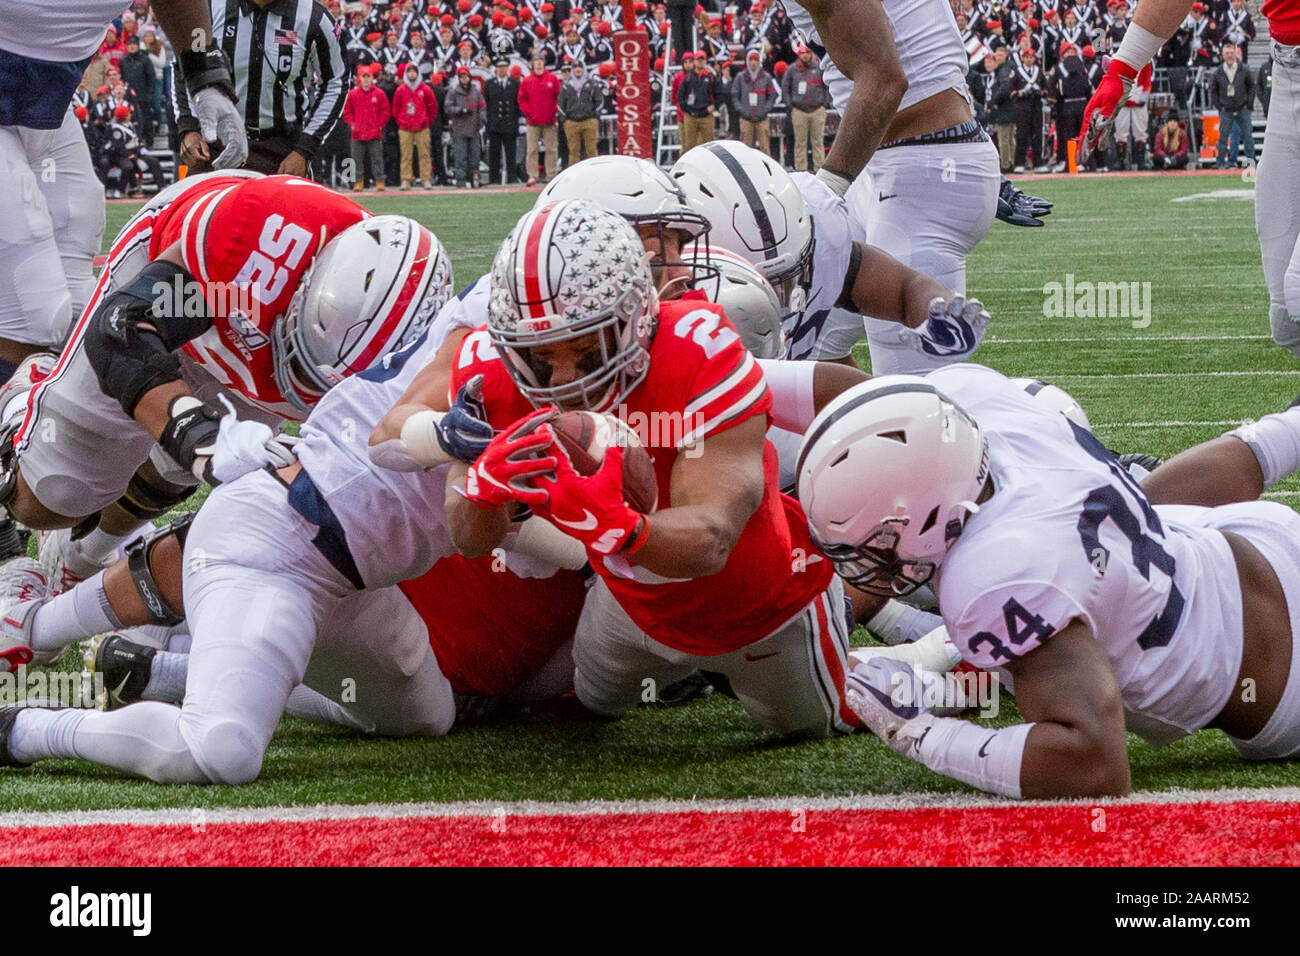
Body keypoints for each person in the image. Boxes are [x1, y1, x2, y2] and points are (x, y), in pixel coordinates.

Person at [441, 198, 860, 739]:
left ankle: (923, 653)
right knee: (586, 706)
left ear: (639, 313)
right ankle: (683, 677)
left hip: (759, 610)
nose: (565, 379)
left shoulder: (697, 350)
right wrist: (481, 492)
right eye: (539, 356)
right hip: (628, 607)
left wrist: (616, 525)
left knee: (820, 726)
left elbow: (712, 540)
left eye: (587, 347)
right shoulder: (486, 372)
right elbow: (469, 539)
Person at [803, 367, 1300, 797]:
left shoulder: (994, 575)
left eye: (878, 541)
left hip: (1287, 681)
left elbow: (1094, 763)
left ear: (924, 512)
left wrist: (919, 732)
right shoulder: (967, 400)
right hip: (1244, 538)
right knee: (1136, 519)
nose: (865, 561)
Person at [0, 173, 448, 595]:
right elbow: (122, 330)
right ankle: (28, 392)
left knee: (175, 471)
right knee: (54, 495)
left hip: (250, 320)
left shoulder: (417, 372)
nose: (298, 382)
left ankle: (83, 557)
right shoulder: (259, 235)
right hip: (205, 286)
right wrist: (197, 436)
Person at [173, 0, 345, 178]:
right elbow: (182, 67)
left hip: (282, 151)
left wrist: (304, 150)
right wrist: (189, 129)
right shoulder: (209, 9)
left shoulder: (314, 17)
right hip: (214, 147)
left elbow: (336, 81)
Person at [782, 44, 830, 172]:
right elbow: (785, 89)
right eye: (802, 53)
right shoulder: (792, 69)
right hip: (799, 111)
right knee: (800, 143)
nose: (805, 55)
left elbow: (827, 87)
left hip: (817, 110)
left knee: (818, 142)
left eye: (807, 52)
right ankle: (801, 170)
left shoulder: (819, 68)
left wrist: (824, 105)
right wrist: (791, 107)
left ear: (811, 54)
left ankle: (819, 169)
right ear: (799, 54)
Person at [343, 64, 390, 191]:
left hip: (374, 133)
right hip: (357, 133)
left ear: (372, 78)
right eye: (364, 77)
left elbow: (385, 112)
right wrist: (351, 124)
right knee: (356, 159)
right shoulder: (353, 94)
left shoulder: (379, 94)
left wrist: (380, 125)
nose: (366, 80)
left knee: (377, 158)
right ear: (359, 78)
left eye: (368, 77)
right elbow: (347, 111)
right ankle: (358, 182)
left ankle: (379, 180)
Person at [392, 63, 437, 188]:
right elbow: (395, 108)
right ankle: (406, 179)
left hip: (422, 127)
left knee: (425, 154)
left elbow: (432, 108)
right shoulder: (401, 90)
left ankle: (426, 179)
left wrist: (426, 121)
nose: (412, 74)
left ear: (418, 73)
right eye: (409, 72)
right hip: (405, 127)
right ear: (406, 74)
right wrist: (401, 121)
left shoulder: (425, 89)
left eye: (414, 72)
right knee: (406, 155)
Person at [1212, 44, 1256, 168]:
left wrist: (1249, 104)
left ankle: (1251, 162)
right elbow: (1213, 91)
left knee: (1248, 136)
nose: (1229, 56)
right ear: (1223, 55)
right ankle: (1220, 162)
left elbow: (1252, 87)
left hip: (1243, 108)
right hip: (1226, 110)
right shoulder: (1218, 72)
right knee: (1223, 137)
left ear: (1235, 54)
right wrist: (1219, 106)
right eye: (1227, 53)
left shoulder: (1244, 69)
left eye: (1231, 53)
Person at [519, 54, 561, 184]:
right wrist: (529, 113)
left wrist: (553, 112)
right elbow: (522, 99)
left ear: (544, 63)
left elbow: (557, 97)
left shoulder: (552, 79)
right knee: (532, 149)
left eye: (540, 61)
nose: (538, 63)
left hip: (549, 120)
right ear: (532, 64)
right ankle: (533, 175)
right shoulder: (527, 80)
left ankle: (551, 174)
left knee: (551, 149)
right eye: (536, 61)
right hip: (532, 121)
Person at [445, 65, 486, 187]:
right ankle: (461, 180)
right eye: (461, 77)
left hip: (474, 129)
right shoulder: (453, 92)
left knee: (475, 156)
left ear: (470, 77)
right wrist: (460, 110)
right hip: (459, 129)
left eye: (466, 76)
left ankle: (475, 178)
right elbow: (448, 108)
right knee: (460, 157)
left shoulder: (476, 92)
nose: (464, 79)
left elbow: (482, 107)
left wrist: (482, 120)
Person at [732, 50, 778, 158]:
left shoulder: (766, 77)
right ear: (747, 61)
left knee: (765, 147)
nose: (753, 62)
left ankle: (767, 171)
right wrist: (742, 111)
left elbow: (772, 95)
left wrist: (765, 109)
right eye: (751, 60)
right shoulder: (740, 77)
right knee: (745, 148)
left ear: (759, 62)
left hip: (762, 119)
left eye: (755, 60)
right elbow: (734, 96)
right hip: (746, 119)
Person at [558, 58, 603, 163]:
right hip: (572, 122)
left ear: (584, 69)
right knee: (573, 152)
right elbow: (560, 104)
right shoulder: (566, 86)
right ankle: (574, 177)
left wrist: (595, 116)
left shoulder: (591, 83)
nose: (578, 70)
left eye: (580, 67)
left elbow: (599, 101)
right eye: (575, 67)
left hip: (589, 120)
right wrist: (565, 120)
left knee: (591, 151)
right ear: (572, 70)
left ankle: (595, 174)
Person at [484, 57, 521, 184]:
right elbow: (486, 104)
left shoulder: (515, 84)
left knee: (511, 154)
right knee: (494, 153)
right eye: (499, 67)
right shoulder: (489, 84)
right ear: (496, 69)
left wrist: (519, 121)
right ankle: (493, 179)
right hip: (494, 124)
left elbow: (517, 105)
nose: (502, 69)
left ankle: (512, 178)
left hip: (510, 123)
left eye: (504, 67)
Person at [1010, 47, 1047, 171]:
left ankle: (1038, 163)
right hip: (1022, 106)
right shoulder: (1017, 71)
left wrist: (1040, 92)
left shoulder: (1039, 71)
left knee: (1037, 134)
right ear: (1023, 58)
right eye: (1026, 57)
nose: (1029, 59)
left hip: (1036, 105)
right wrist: (1020, 93)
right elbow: (1012, 89)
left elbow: (1045, 88)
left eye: (1031, 57)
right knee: (1022, 135)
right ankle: (1019, 163)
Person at [674, 51, 715, 154]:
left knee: (708, 146)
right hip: (687, 115)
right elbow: (677, 96)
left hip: (705, 114)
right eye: (686, 62)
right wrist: (686, 110)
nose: (688, 64)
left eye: (702, 60)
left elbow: (717, 94)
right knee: (688, 147)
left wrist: (713, 106)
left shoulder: (710, 77)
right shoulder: (685, 78)